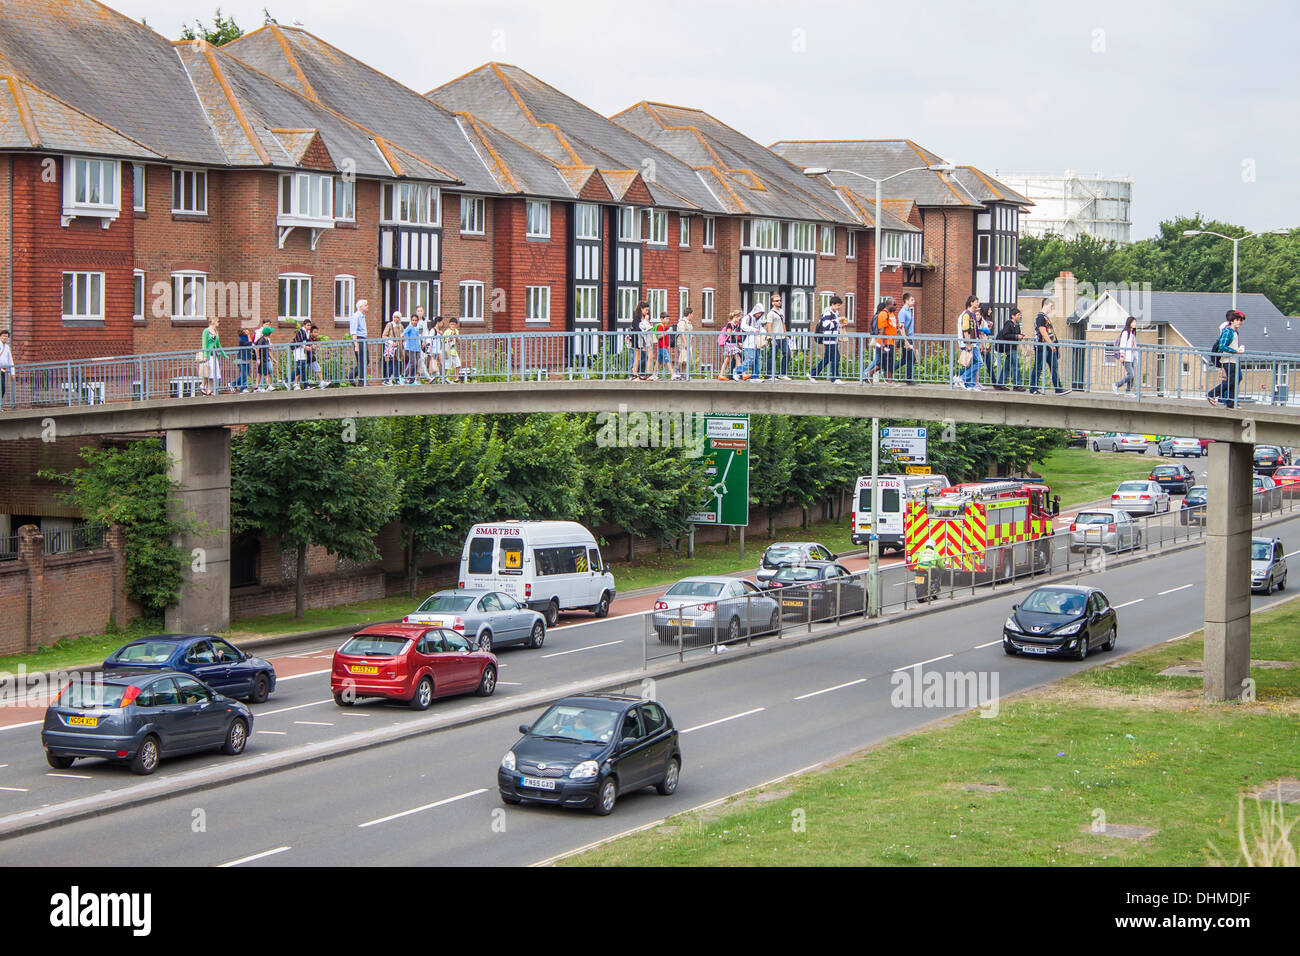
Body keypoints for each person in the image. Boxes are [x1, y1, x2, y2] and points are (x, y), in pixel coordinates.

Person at [1027, 298, 1066, 395]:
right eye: (1051, 306)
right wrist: (1051, 344)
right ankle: (1033, 388)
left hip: (1048, 347)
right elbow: (1043, 332)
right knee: (1039, 367)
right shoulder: (1040, 317)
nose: (1052, 309)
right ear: (1046, 305)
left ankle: (1058, 388)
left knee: (1054, 366)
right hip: (1042, 347)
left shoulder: (1045, 317)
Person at [1208, 311, 1245, 407]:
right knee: (1231, 380)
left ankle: (1231, 402)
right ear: (1231, 321)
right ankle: (1212, 394)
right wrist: (1235, 351)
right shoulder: (1228, 331)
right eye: (1237, 320)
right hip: (1228, 360)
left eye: (1241, 320)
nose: (1239, 322)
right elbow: (1222, 346)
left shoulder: (1234, 332)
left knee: (1235, 379)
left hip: (1232, 360)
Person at [810, 295, 845, 383]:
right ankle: (835, 377)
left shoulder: (834, 313)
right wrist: (838, 320)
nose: (839, 307)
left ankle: (813, 373)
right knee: (836, 358)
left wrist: (840, 325)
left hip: (833, 339)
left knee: (827, 359)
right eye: (837, 305)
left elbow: (833, 325)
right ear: (832, 304)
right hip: (829, 340)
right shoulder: (827, 313)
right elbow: (826, 325)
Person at [993, 307, 1026, 390]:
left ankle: (1000, 383)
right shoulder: (1008, 323)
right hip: (1009, 348)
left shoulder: (1017, 326)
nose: (1019, 317)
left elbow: (1017, 334)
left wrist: (1022, 336)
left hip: (1013, 348)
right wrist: (1016, 336)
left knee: (1007, 366)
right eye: (1018, 315)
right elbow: (1005, 334)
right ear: (1013, 316)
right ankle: (1017, 385)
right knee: (1016, 365)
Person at [952, 295, 981, 390]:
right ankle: (962, 378)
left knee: (972, 363)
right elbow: (965, 330)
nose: (978, 303)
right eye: (976, 301)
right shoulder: (966, 315)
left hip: (973, 342)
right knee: (979, 362)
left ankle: (970, 384)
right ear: (971, 302)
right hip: (969, 343)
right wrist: (968, 343)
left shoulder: (971, 314)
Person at [734, 303, 766, 381]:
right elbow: (743, 326)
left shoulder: (757, 320)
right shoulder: (748, 317)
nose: (759, 315)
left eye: (761, 313)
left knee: (758, 360)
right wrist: (753, 329)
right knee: (750, 359)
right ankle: (737, 371)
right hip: (748, 343)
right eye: (759, 313)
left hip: (756, 344)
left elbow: (760, 328)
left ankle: (755, 377)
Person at [765, 292, 790, 381]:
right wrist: (772, 338)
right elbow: (769, 326)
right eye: (777, 301)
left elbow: (783, 323)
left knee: (787, 354)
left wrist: (786, 334)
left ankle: (783, 374)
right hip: (775, 337)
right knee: (773, 356)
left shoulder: (781, 311)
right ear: (772, 302)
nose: (779, 302)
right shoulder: (771, 313)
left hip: (782, 337)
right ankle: (769, 374)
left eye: (780, 300)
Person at [199, 317, 226, 396]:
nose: (219, 323)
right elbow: (204, 344)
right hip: (208, 355)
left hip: (214, 355)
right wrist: (205, 355)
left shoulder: (216, 332)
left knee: (213, 373)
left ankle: (209, 390)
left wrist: (224, 354)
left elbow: (218, 345)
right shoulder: (206, 331)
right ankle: (202, 385)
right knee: (207, 372)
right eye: (217, 321)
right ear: (213, 321)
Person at [1113, 315, 1139, 394]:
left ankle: (1128, 391)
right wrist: (1122, 356)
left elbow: (1134, 346)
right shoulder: (1125, 333)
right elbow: (1123, 344)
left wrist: (1136, 357)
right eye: (1133, 322)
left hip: (1131, 357)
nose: (1135, 324)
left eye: (1135, 322)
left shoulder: (1132, 333)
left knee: (1131, 376)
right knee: (1131, 374)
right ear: (1129, 323)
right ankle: (1117, 384)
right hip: (1126, 357)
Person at [347, 299, 369, 386]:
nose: (367, 306)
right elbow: (353, 331)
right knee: (362, 360)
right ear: (361, 307)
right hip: (359, 339)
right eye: (366, 305)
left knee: (365, 360)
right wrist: (356, 344)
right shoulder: (356, 316)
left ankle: (354, 376)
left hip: (363, 338)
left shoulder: (363, 316)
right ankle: (360, 380)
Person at [876, 298, 899, 384]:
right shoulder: (883, 314)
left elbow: (891, 327)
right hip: (885, 342)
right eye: (894, 304)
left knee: (888, 361)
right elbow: (882, 329)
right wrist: (882, 343)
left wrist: (897, 327)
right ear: (889, 304)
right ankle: (889, 379)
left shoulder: (892, 314)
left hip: (891, 341)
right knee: (888, 362)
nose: (896, 306)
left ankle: (869, 373)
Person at [897, 292, 917, 384]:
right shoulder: (903, 312)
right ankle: (908, 379)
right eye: (912, 300)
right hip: (906, 338)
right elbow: (901, 328)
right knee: (911, 358)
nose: (913, 301)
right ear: (906, 300)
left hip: (910, 337)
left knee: (906, 359)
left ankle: (889, 370)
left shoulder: (910, 311)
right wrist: (906, 341)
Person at [717, 310, 743, 380]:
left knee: (727, 360)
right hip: (730, 344)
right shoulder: (730, 324)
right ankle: (743, 374)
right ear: (735, 317)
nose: (739, 320)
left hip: (733, 344)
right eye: (739, 318)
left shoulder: (736, 325)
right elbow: (728, 335)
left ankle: (721, 375)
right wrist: (734, 332)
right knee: (738, 359)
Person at [290, 321, 312, 390]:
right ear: (304, 325)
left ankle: (305, 385)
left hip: (302, 352)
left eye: (310, 325)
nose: (309, 327)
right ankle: (288, 380)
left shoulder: (307, 332)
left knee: (303, 368)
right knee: (298, 368)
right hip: (298, 351)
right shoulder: (300, 332)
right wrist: (305, 347)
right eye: (308, 325)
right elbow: (300, 342)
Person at [381, 312, 402, 384]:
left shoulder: (401, 326)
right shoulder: (389, 325)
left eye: (397, 317)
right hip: (391, 347)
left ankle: (390, 379)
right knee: (393, 363)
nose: (396, 319)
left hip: (398, 348)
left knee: (395, 363)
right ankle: (393, 379)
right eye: (395, 317)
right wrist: (392, 342)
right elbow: (384, 335)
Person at [252, 323, 274, 392]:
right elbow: (257, 349)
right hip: (262, 359)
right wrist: (258, 359)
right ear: (269, 333)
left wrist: (273, 359)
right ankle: (268, 385)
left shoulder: (266, 340)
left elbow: (267, 350)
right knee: (266, 372)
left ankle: (256, 387)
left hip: (264, 358)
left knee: (260, 373)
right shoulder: (262, 340)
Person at [401, 312, 422, 384]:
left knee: (416, 364)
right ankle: (404, 375)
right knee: (413, 362)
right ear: (411, 320)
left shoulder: (417, 328)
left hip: (416, 348)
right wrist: (407, 339)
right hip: (410, 348)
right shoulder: (410, 327)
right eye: (413, 320)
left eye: (416, 320)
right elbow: (403, 333)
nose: (414, 322)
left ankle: (412, 379)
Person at [675, 307, 694, 380]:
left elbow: (691, 334)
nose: (692, 316)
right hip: (683, 343)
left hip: (688, 343)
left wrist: (690, 343)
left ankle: (683, 374)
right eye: (692, 314)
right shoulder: (682, 322)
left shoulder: (689, 323)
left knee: (686, 360)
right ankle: (677, 372)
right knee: (682, 358)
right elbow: (682, 333)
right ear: (689, 314)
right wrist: (686, 343)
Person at [232, 328, 252, 393]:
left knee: (245, 374)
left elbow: (251, 344)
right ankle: (243, 388)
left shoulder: (246, 337)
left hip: (246, 358)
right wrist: (249, 336)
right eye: (246, 330)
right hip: (241, 359)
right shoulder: (242, 338)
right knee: (244, 374)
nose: (247, 331)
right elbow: (249, 344)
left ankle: (233, 384)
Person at [655, 311, 672, 380]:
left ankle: (654, 374)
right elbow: (659, 336)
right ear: (662, 319)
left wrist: (667, 345)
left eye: (668, 319)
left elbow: (665, 338)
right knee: (667, 360)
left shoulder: (665, 326)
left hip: (664, 346)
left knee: (659, 362)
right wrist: (667, 332)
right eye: (666, 319)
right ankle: (672, 374)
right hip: (662, 346)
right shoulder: (660, 326)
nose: (668, 320)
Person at [445, 317, 463, 382]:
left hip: (454, 351)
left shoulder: (456, 331)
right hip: (448, 351)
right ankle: (444, 377)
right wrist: (449, 339)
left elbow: (459, 340)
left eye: (454, 324)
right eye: (451, 324)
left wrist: (456, 336)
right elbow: (444, 340)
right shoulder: (447, 331)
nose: (453, 326)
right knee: (447, 365)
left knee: (458, 364)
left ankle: (456, 377)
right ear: (449, 324)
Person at [0, 329, 14, 407]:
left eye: (6, 336)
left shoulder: (7, 347)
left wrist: (12, 373)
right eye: (3, 336)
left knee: (3, 389)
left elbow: (10, 360)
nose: (5, 338)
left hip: (3, 370)